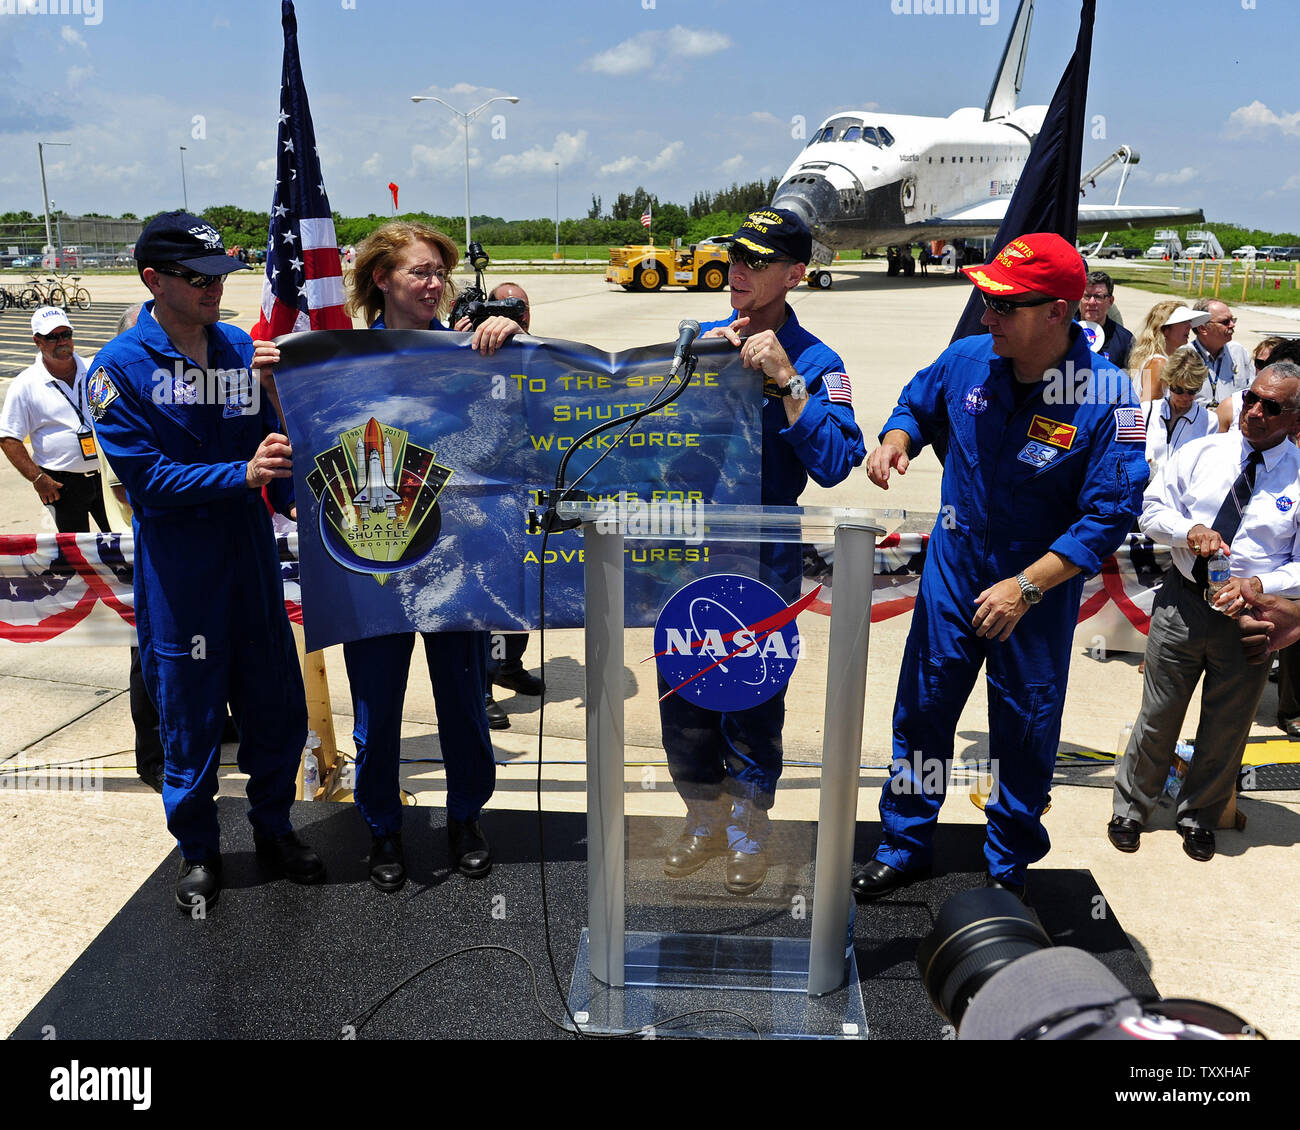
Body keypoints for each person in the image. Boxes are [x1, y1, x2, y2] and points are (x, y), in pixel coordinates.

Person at [854, 231, 1149, 903]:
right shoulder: (967, 360)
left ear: (1058, 311)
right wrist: (897, 438)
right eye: (985, 299)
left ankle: (1008, 867)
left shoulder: (1109, 399)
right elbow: (915, 403)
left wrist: (1024, 588)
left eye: (1004, 305)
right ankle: (904, 843)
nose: (986, 316)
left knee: (1023, 729)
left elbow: (1108, 517)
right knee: (924, 714)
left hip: (1034, 591)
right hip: (955, 574)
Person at [255, 221, 523, 893]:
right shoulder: (333, 358)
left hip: (456, 561)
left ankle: (466, 818)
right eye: (419, 272)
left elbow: (513, 431)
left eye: (439, 273)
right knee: (377, 710)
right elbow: (303, 459)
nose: (434, 284)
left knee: (463, 703)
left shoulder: (470, 349)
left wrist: (514, 348)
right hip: (369, 562)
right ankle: (382, 829)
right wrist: (274, 391)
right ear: (382, 279)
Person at [90, 211, 323, 913]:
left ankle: (275, 829)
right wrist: (242, 475)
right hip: (182, 578)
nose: (215, 290)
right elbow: (148, 483)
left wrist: (283, 408)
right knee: (189, 721)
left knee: (276, 708)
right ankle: (198, 849)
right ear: (153, 280)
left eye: (222, 275)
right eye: (199, 279)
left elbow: (279, 475)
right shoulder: (117, 371)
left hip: (250, 568)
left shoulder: (242, 352)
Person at [657, 208, 865, 896]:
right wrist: (693, 371)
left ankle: (748, 828)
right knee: (684, 701)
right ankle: (701, 818)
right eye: (733, 258)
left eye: (755, 261)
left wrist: (785, 380)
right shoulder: (700, 348)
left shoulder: (816, 360)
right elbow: (654, 451)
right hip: (690, 556)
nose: (736, 272)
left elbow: (838, 461)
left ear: (795, 274)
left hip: (762, 563)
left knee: (750, 702)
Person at [1109, 362, 1300, 861]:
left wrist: (1260, 583)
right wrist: (1186, 532)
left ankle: (1199, 815)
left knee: (1227, 724)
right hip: (1183, 601)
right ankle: (1131, 808)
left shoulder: (1298, 478)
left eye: (1271, 406)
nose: (1255, 411)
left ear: (1295, 417)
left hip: (1250, 620)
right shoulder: (1200, 453)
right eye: (1251, 398)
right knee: (1158, 714)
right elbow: (1151, 511)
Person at [474, 282, 545, 728]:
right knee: (483, 594)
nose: (515, 314)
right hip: (481, 498)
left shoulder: (537, 355)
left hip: (525, 491)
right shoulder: (465, 353)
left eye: (521, 307)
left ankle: (508, 666)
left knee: (521, 589)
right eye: (505, 306)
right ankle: (479, 687)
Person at [0, 307, 108, 534]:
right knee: (76, 552)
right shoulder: (25, 385)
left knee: (124, 539)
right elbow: (9, 438)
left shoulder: (95, 370)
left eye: (66, 334)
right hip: (61, 485)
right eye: (52, 337)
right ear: (37, 341)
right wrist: (38, 478)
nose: (62, 342)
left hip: (107, 477)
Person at [1141, 347, 1216, 472]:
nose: (1185, 397)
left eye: (1192, 391)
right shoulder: (1147, 411)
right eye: (1179, 390)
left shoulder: (1209, 421)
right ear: (1168, 383)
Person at [1128, 301, 1211, 403]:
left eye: (1189, 321)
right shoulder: (1158, 363)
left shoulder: (1158, 360)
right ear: (1165, 329)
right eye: (1183, 321)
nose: (1190, 326)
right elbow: (1149, 409)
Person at [1189, 298, 1255, 407]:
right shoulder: (1184, 357)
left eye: (1233, 320)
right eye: (1225, 322)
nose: (1232, 325)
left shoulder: (1238, 352)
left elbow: (1251, 389)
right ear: (1203, 328)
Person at [1079, 269, 1133, 369]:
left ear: (1110, 301)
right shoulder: (1063, 332)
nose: (1091, 302)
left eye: (1098, 297)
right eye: (1086, 296)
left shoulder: (1125, 340)